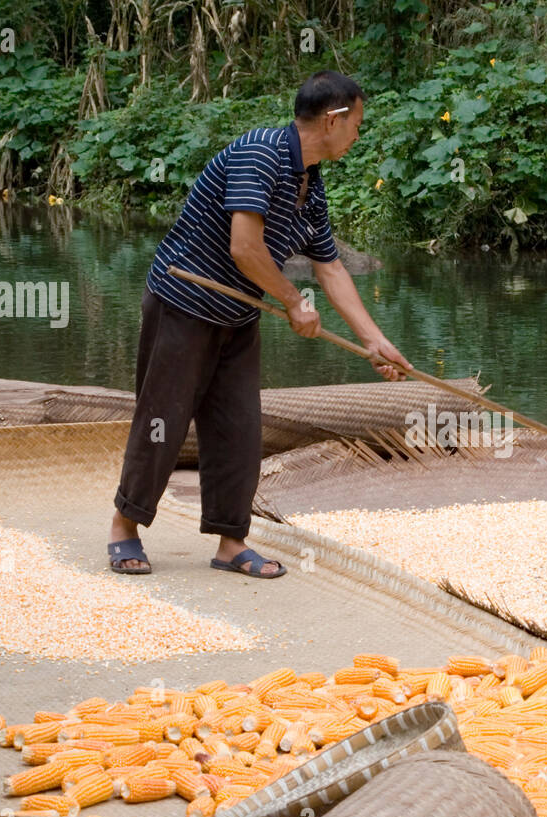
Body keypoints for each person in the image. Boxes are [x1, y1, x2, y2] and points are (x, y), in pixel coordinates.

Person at [107, 70, 411, 578]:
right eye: (357, 123)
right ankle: (125, 526)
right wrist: (293, 301)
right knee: (163, 421)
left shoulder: (309, 182)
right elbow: (244, 246)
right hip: (184, 300)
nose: (358, 134)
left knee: (239, 428)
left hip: (236, 313)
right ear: (333, 120)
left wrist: (376, 342)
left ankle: (230, 543)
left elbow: (330, 267)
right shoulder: (261, 152)